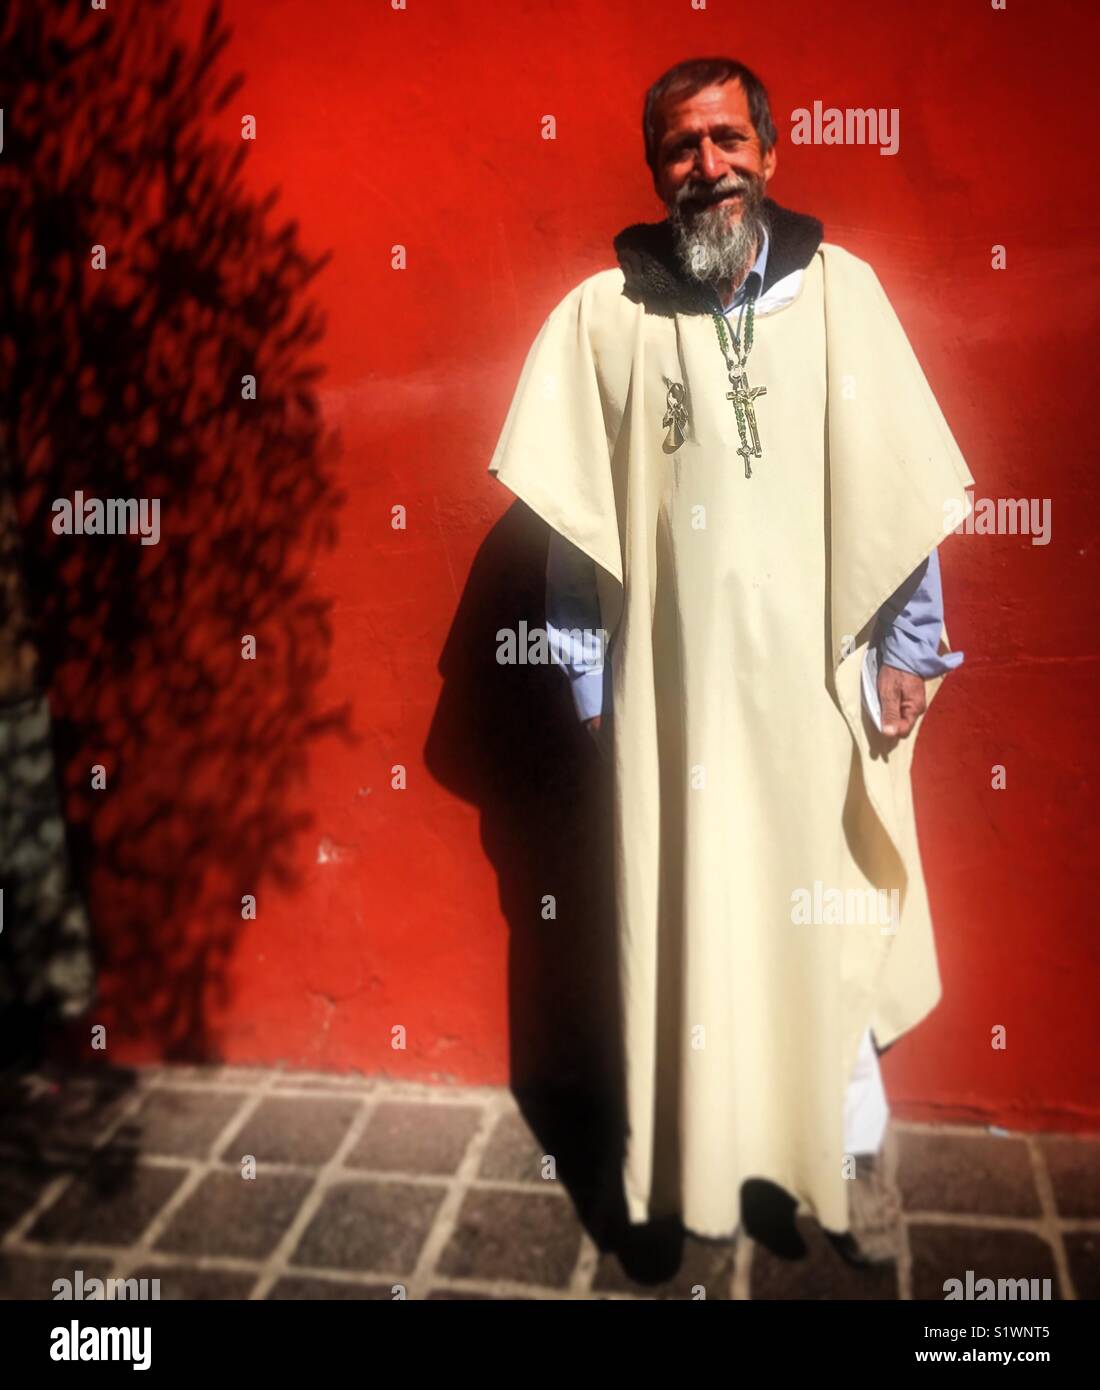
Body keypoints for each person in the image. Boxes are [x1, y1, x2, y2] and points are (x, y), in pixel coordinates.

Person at [487, 56, 974, 1266]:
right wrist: (597, 686)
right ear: (654, 172)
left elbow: (897, 497)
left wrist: (911, 649)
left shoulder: (842, 297)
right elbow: (575, 534)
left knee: (830, 923)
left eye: (723, 140)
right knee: (696, 933)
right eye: (677, 149)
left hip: (820, 698)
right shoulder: (607, 316)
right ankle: (704, 1173)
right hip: (680, 714)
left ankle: (850, 1162)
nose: (703, 167)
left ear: (769, 151)